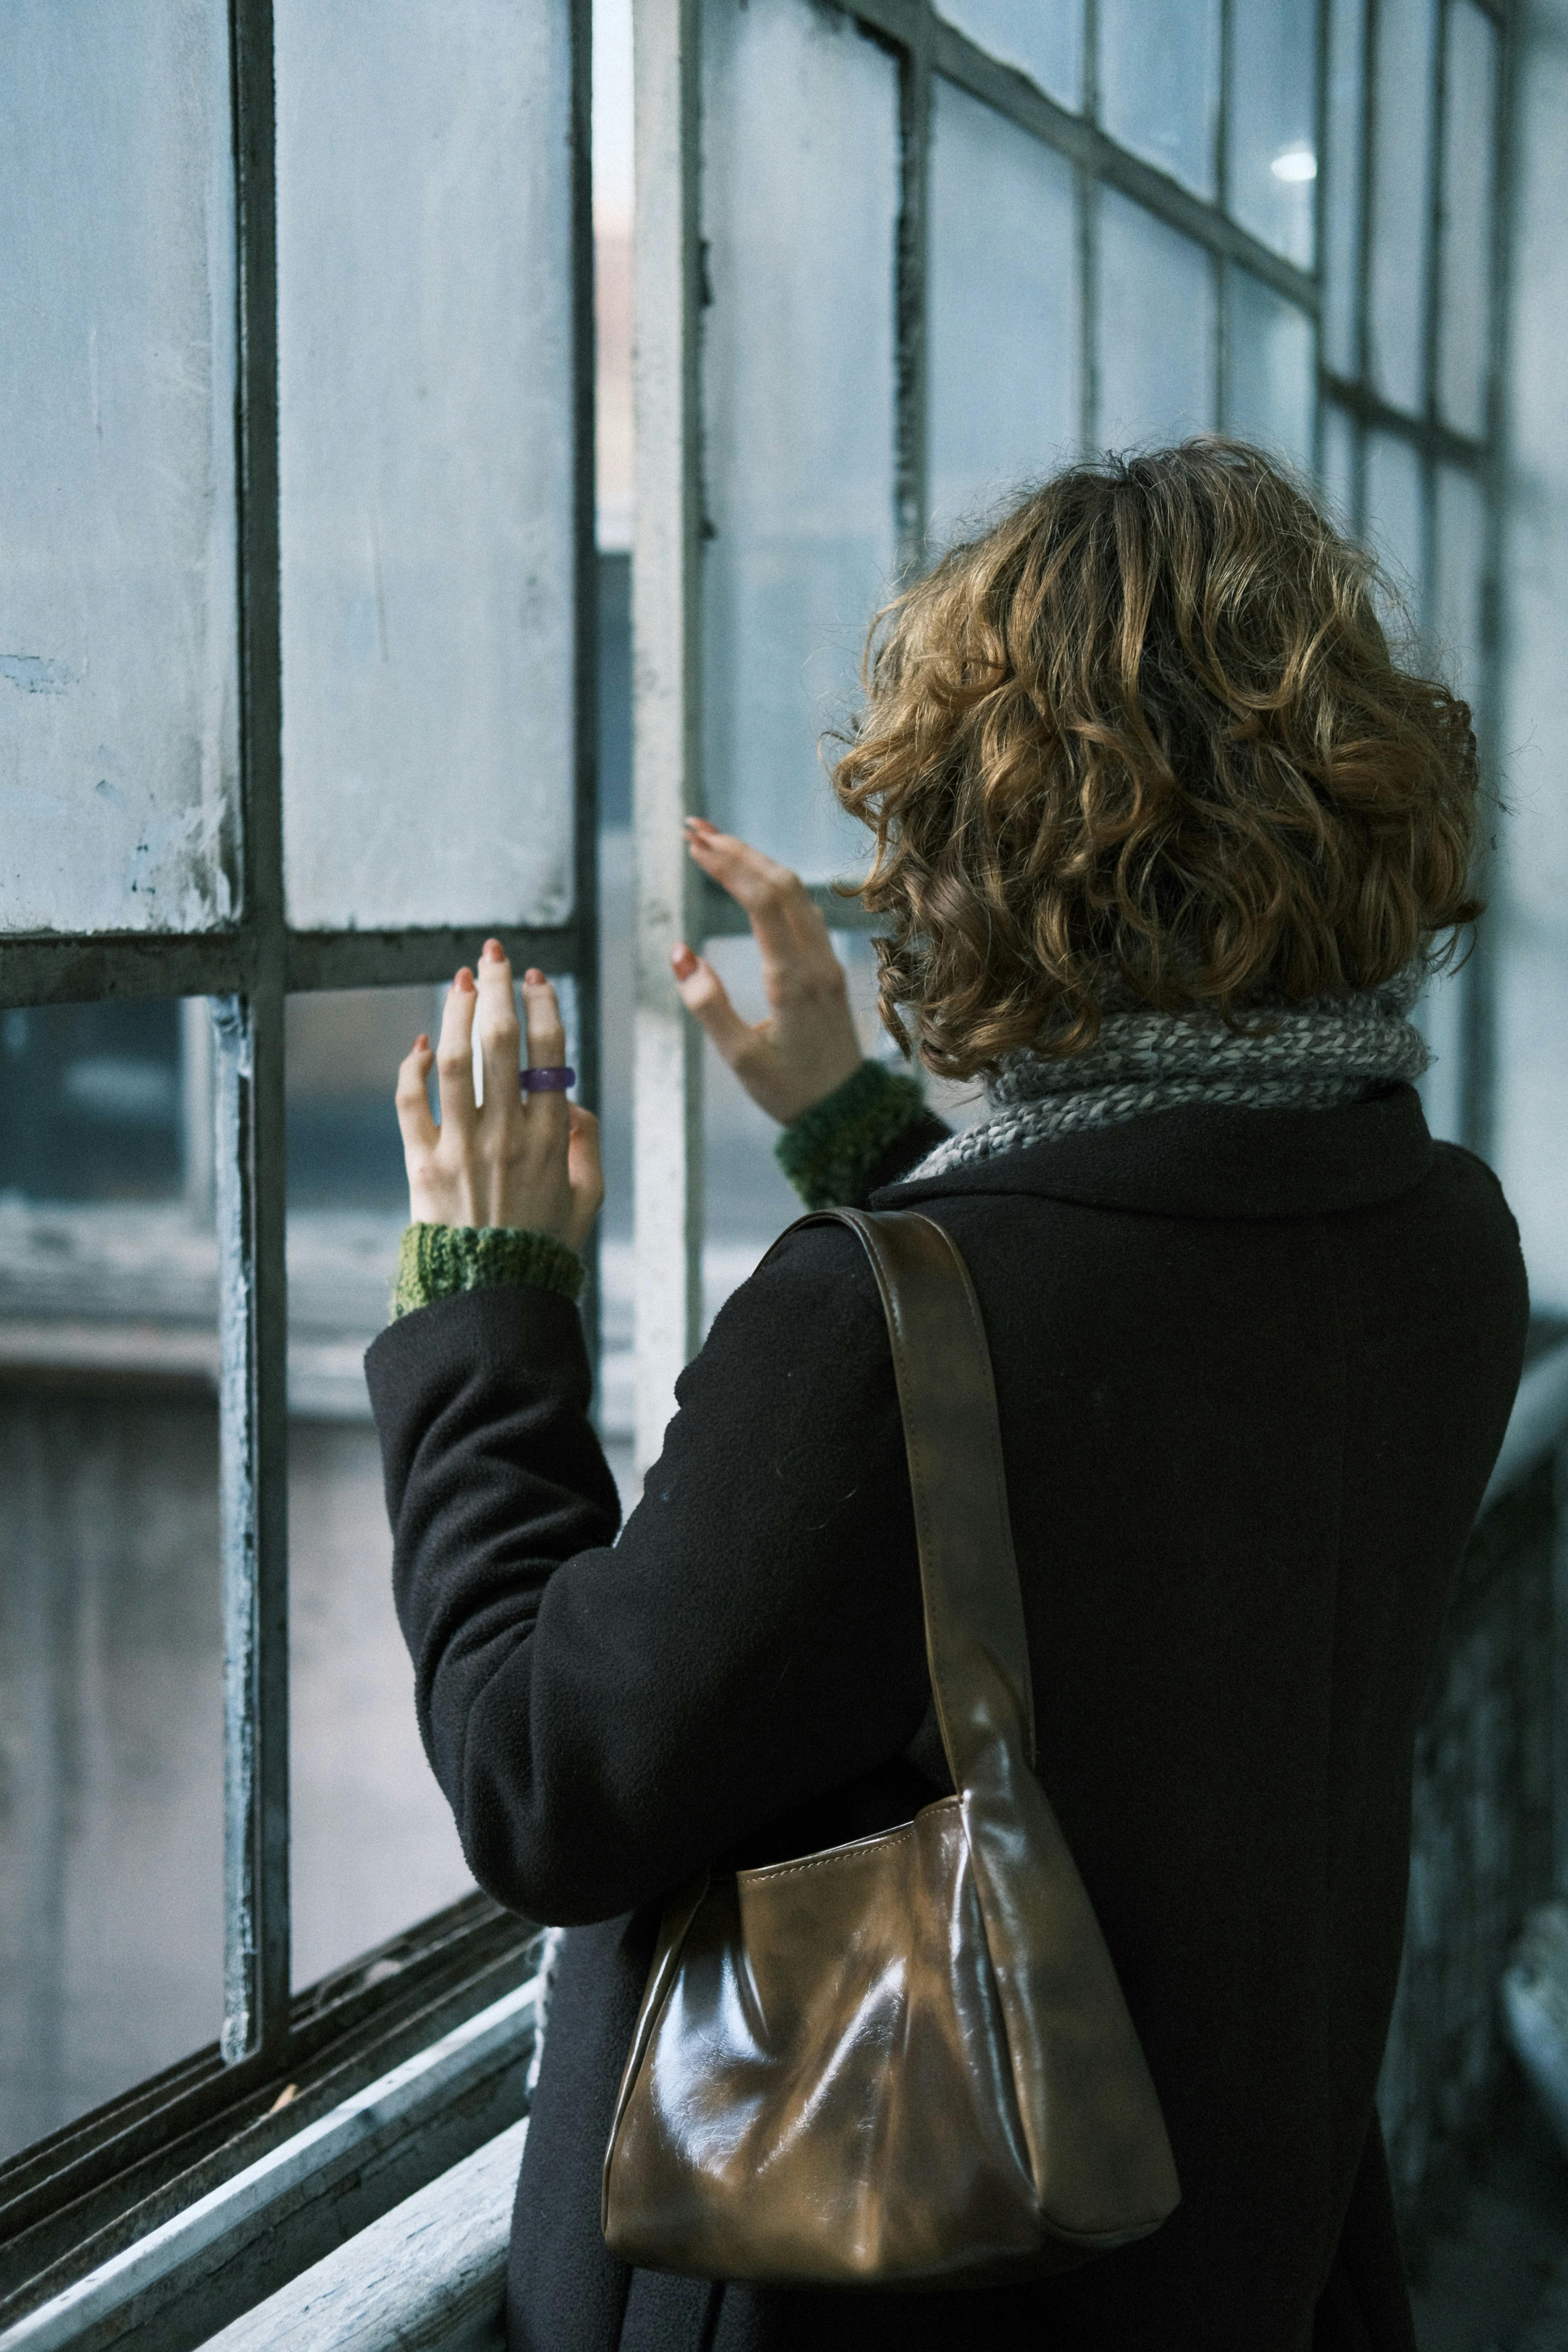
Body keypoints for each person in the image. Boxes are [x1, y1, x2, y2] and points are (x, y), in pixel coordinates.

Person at [366, 441, 1528, 2352]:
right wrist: (868, 1138)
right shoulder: (1436, 1241)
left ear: (994, 841)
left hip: (896, 2281)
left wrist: (486, 1312)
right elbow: (1133, 1401)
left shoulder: (865, 1328)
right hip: (1245, 2255)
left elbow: (543, 1780)